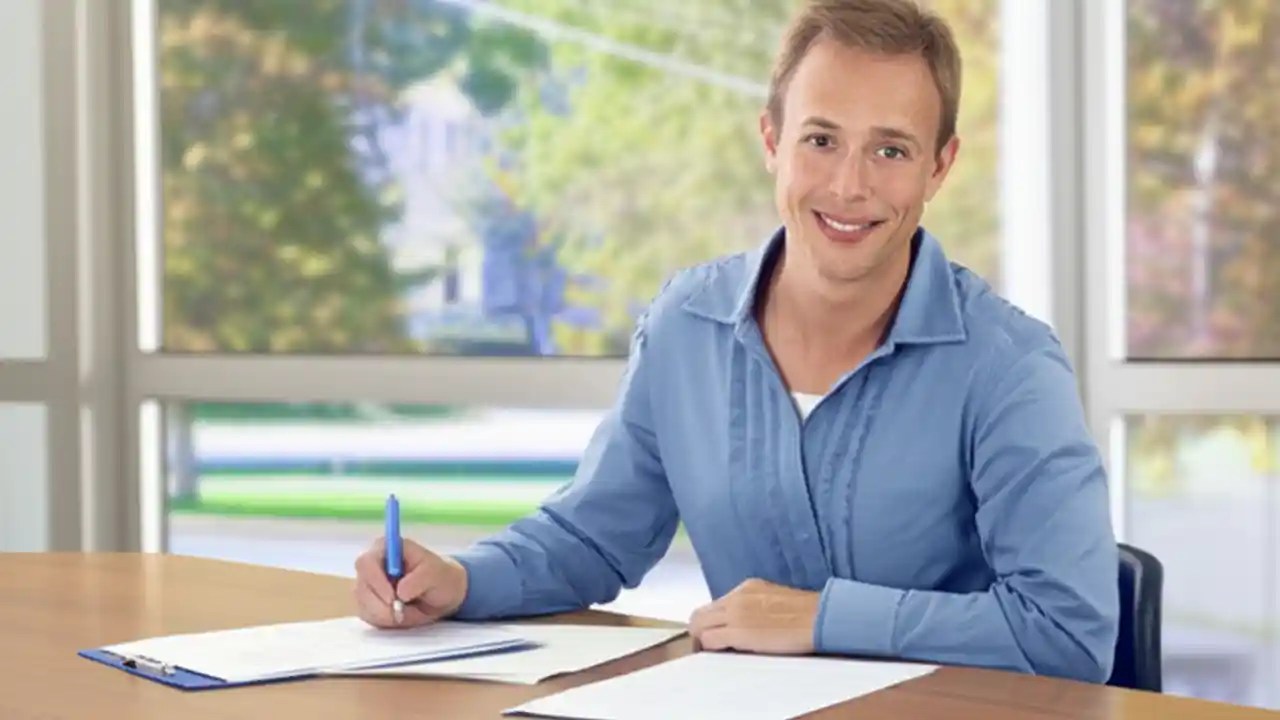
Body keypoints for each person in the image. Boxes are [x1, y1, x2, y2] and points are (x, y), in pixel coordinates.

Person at [354, 0, 1119, 683]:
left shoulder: (1009, 369)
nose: (849, 185)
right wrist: (460, 579)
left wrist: (824, 618)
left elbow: (1067, 632)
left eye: (890, 150)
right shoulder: (686, 326)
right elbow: (594, 537)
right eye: (821, 139)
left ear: (939, 167)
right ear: (771, 141)